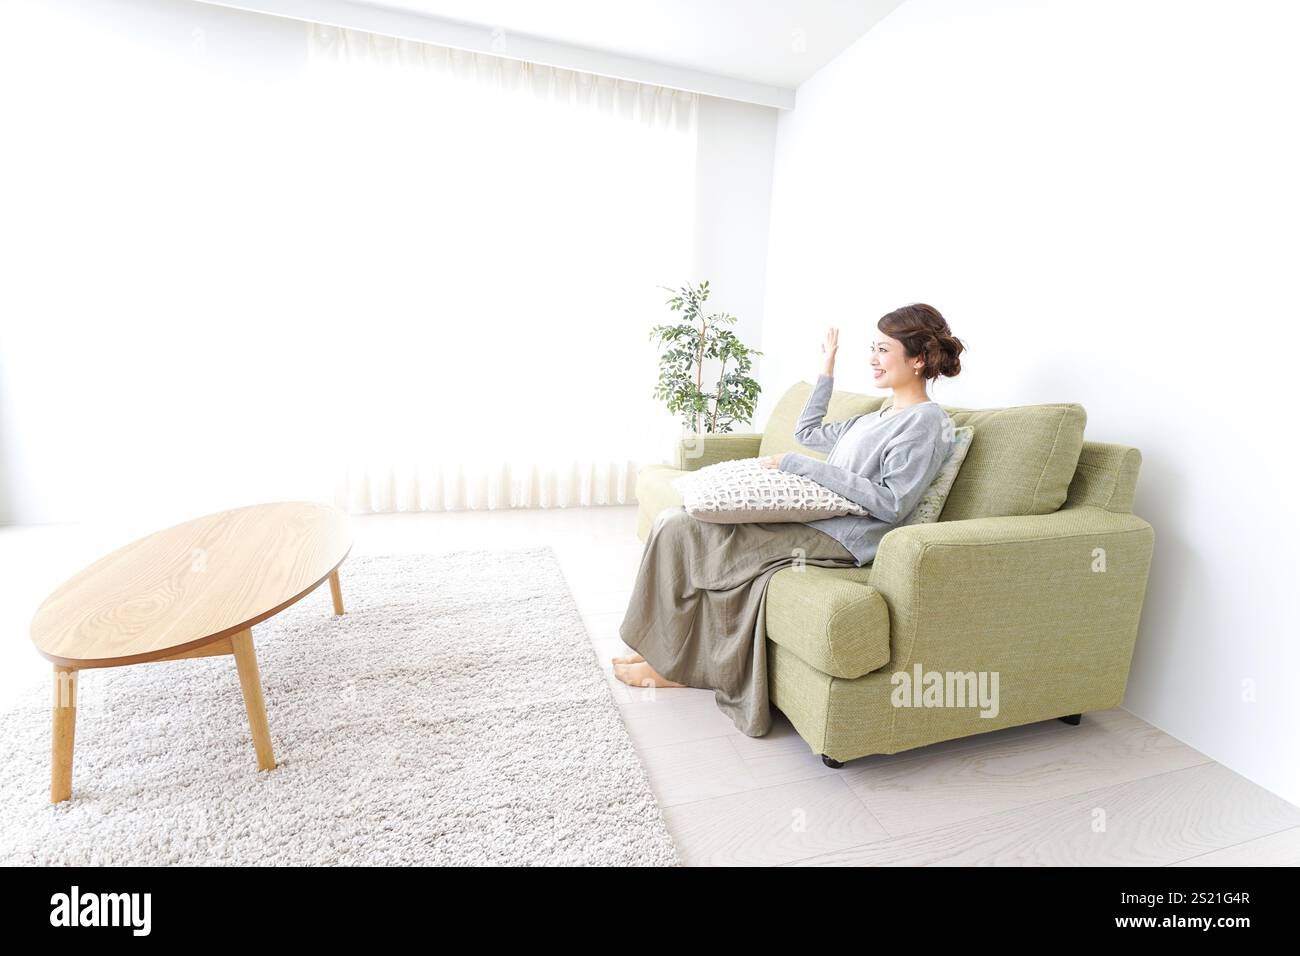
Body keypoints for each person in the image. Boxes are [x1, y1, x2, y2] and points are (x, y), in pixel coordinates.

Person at [614, 303, 966, 736]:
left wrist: (804, 467)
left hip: (846, 538)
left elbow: (893, 503)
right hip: (816, 520)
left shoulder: (927, 423)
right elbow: (809, 434)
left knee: (700, 538)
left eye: (883, 349)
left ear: (918, 359)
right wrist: (827, 370)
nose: (873, 357)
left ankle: (673, 667)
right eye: (872, 348)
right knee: (675, 521)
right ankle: (660, 650)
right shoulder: (878, 415)